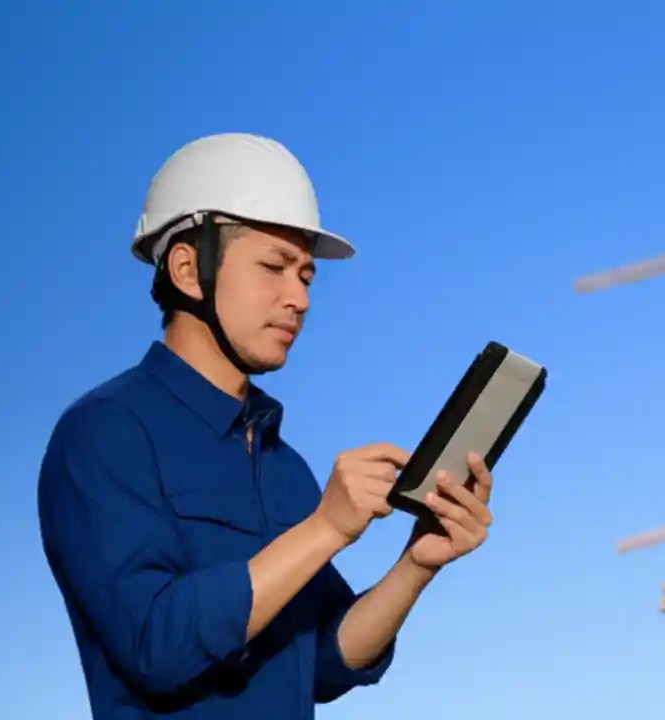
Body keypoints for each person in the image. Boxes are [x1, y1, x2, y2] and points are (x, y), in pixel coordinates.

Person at [37, 133, 495, 718]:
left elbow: (325, 663)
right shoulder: (104, 433)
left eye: (306, 276)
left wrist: (416, 564)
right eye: (274, 267)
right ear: (187, 268)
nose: (298, 297)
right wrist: (326, 527)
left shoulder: (286, 466)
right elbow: (154, 646)